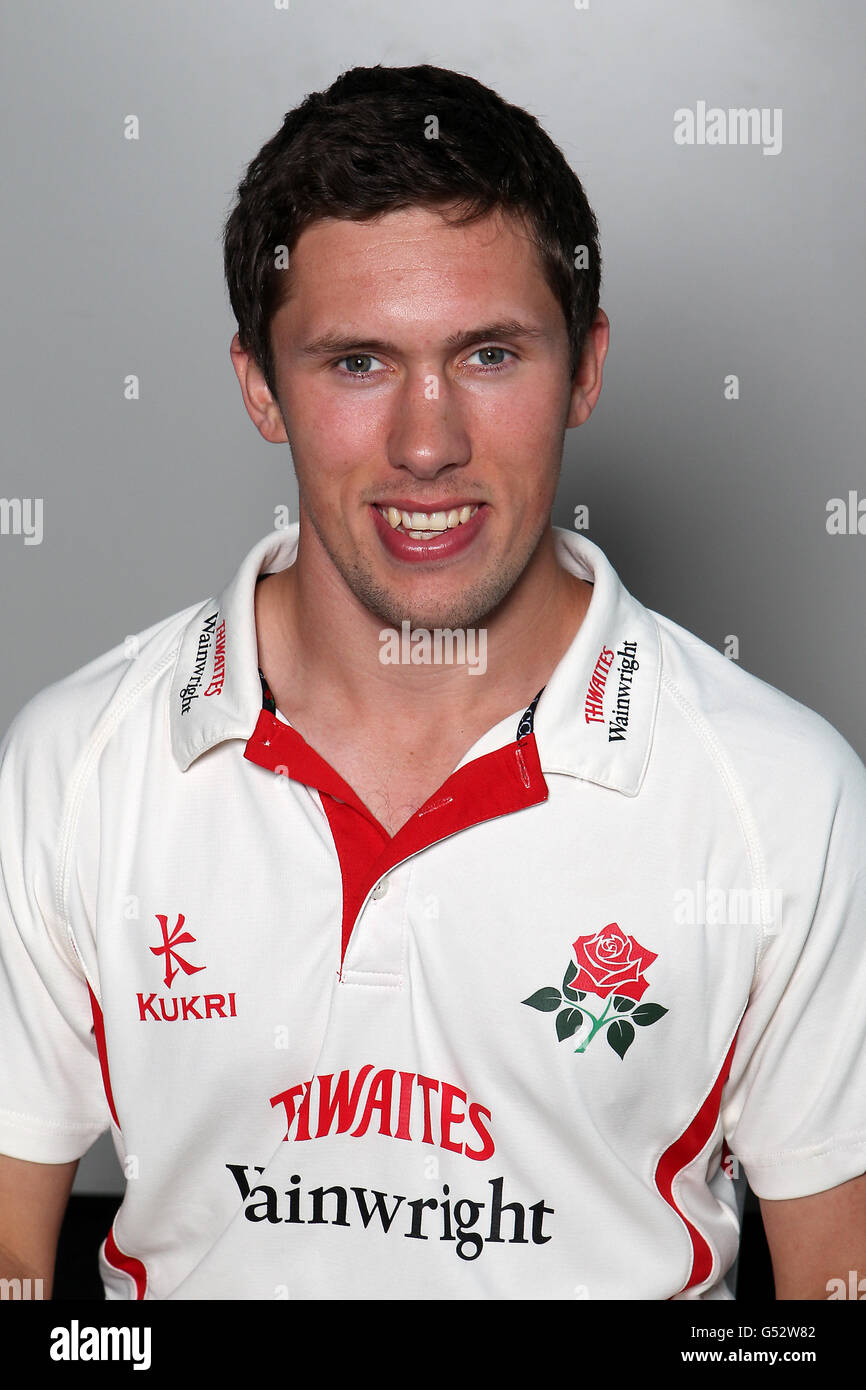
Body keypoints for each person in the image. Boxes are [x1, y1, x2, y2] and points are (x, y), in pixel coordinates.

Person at [1, 63, 864, 1302]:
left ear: (583, 369)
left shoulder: (783, 797)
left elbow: (834, 1284)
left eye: (488, 355)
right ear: (258, 384)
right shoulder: (76, 761)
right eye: (355, 362)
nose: (424, 443)